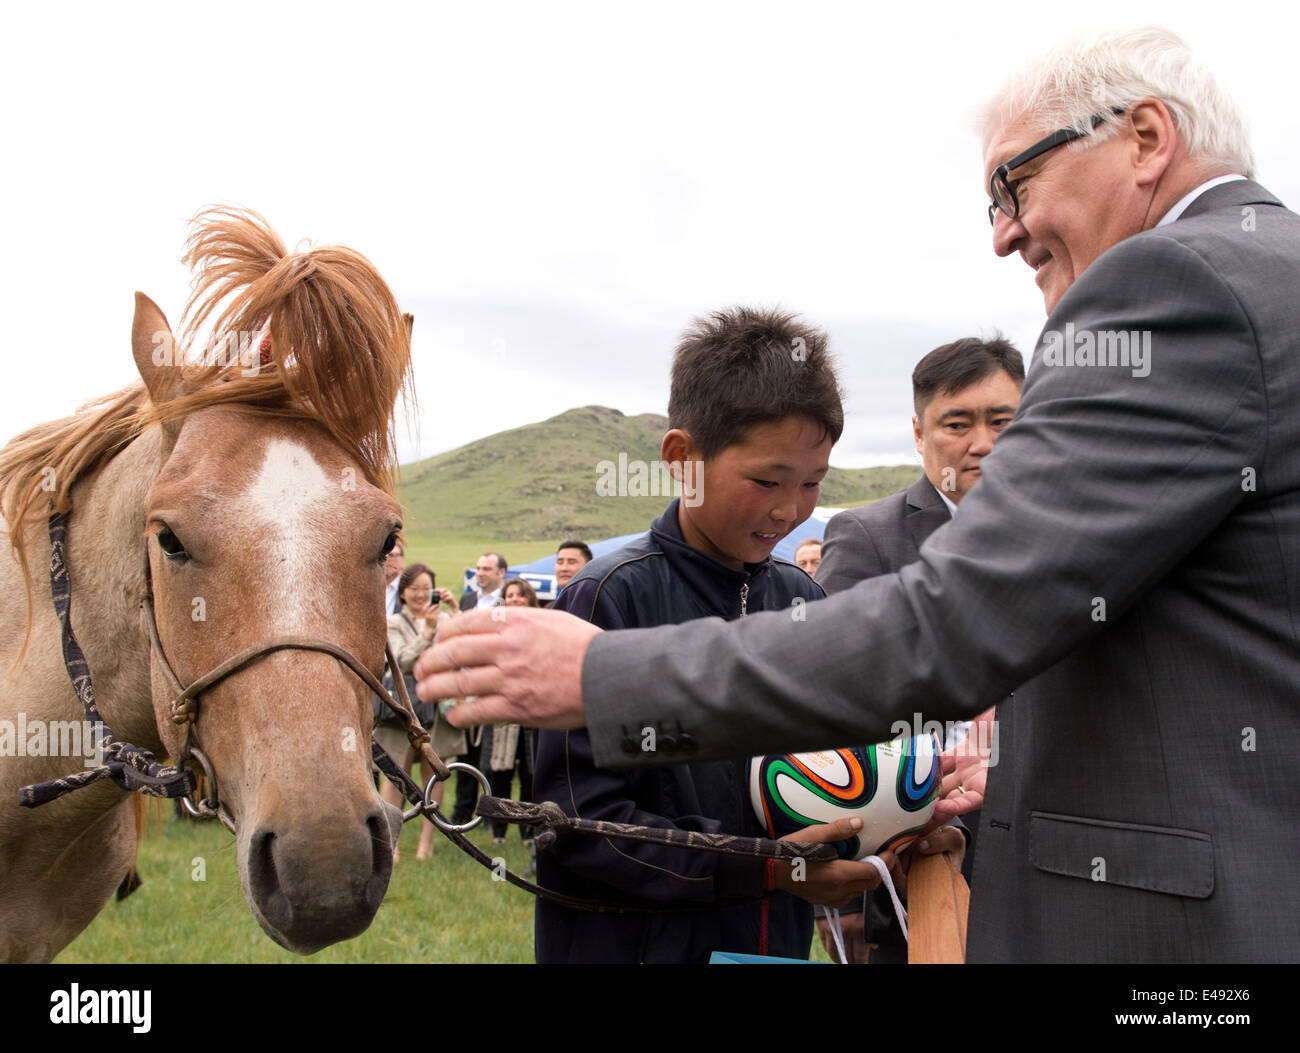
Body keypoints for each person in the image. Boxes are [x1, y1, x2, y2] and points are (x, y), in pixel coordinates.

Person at [418, 27, 1300, 963]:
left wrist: (599, 679)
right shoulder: (1261, 273)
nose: (1001, 232)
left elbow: (951, 621)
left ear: (1146, 138)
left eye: (1012, 185)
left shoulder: (1176, 283)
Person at [532, 306, 920, 965]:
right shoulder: (608, 598)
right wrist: (767, 869)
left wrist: (905, 810)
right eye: (767, 480)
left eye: (813, 483)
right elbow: (574, 822)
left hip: (774, 946)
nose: (789, 509)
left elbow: (834, 772)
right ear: (682, 460)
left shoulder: (803, 600)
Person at [815, 335, 1023, 963]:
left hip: (1050, 854)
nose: (982, 443)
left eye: (1002, 421)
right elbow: (835, 687)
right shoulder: (868, 536)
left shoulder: (1063, 532)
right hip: (922, 850)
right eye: (957, 423)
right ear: (918, 431)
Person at [378, 563, 464, 862]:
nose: (420, 595)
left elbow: (466, 644)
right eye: (414, 589)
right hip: (402, 709)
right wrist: (427, 632)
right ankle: (392, 843)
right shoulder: (393, 623)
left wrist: (454, 610)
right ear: (402, 593)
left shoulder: (443, 618)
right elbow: (402, 660)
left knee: (434, 776)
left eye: (426, 589)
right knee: (395, 776)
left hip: (438, 706)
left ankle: (426, 844)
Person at [481, 577, 540, 843]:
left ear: (530, 599)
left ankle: (528, 831)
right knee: (500, 773)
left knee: (529, 774)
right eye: (511, 595)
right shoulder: (495, 630)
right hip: (503, 712)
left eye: (520, 595)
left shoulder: (541, 627)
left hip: (530, 712)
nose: (515, 599)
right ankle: (498, 832)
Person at [451, 552, 508, 823]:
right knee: (466, 753)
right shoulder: (468, 600)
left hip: (492, 687)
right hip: (465, 687)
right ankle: (462, 813)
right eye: (478, 568)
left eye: (487, 569)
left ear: (501, 573)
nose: (480, 573)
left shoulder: (508, 602)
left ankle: (491, 816)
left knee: (491, 755)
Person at [549, 540, 593, 605]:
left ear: (588, 566)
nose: (564, 568)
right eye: (560, 562)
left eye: (571, 562)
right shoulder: (552, 608)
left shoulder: (595, 606)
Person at [383, 540, 405, 614]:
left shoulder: (408, 587)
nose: (389, 560)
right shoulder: (371, 588)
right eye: (386, 556)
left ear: (402, 560)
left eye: (393, 555)